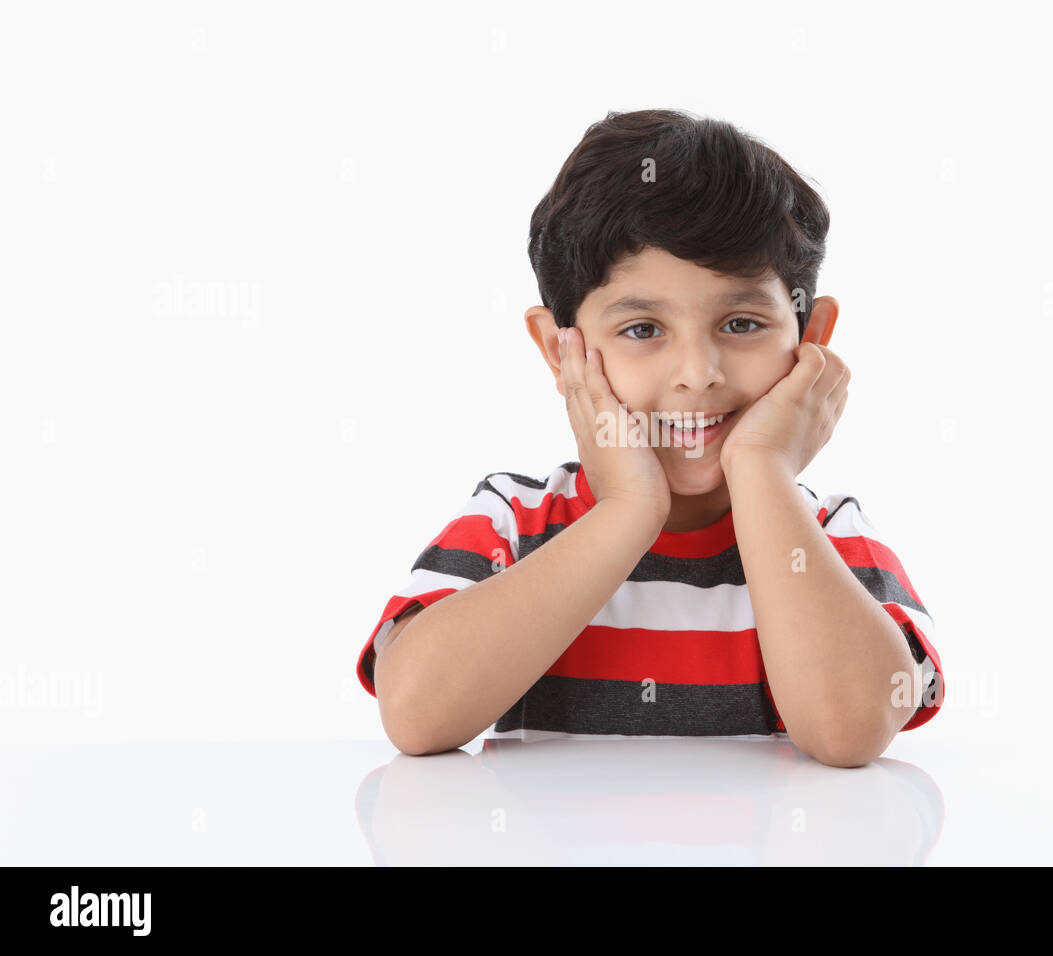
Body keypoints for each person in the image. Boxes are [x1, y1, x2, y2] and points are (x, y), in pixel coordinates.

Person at [355, 109, 942, 767]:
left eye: (742, 323)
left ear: (809, 340)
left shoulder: (826, 533)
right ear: (560, 350)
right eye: (642, 330)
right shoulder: (512, 523)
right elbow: (414, 715)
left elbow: (848, 732)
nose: (698, 375)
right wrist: (630, 511)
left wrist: (761, 471)